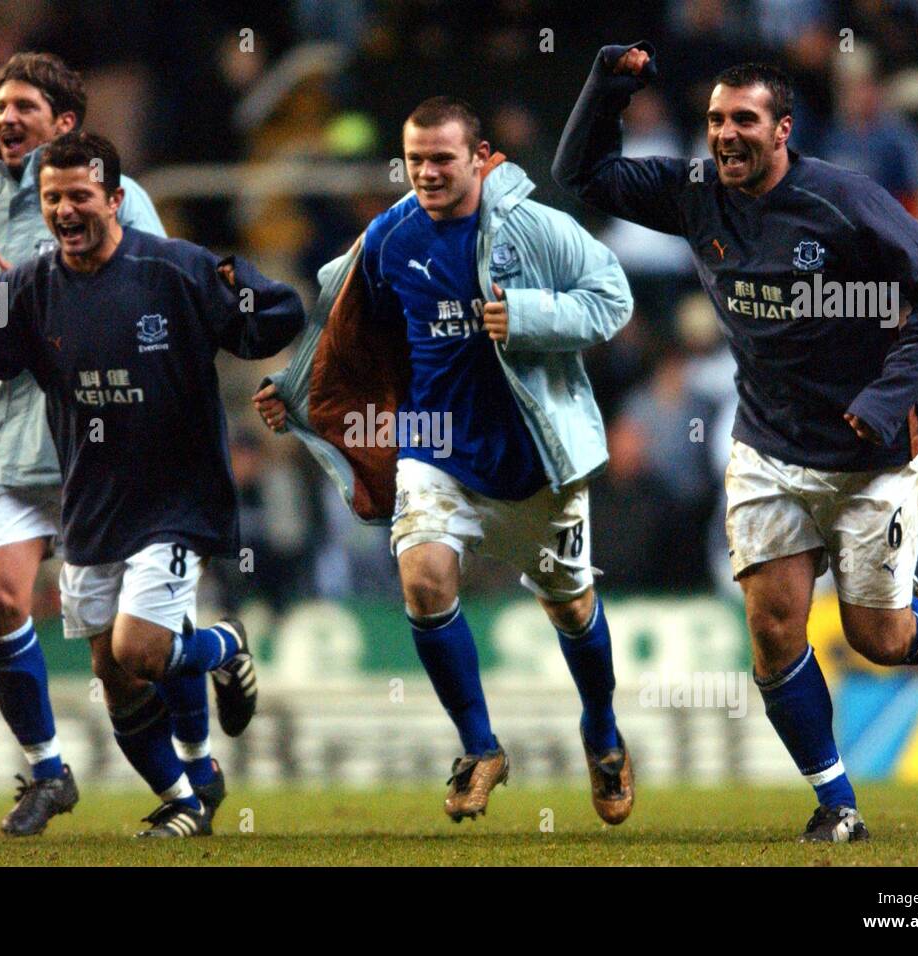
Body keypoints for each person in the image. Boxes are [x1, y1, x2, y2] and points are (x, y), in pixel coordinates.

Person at [553, 44, 918, 842]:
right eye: (715, 119)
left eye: (743, 119)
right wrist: (603, 84)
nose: (725, 134)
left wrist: (886, 398)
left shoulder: (846, 201)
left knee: (875, 636)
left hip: (867, 458)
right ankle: (837, 803)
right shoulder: (696, 195)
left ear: (783, 129)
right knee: (775, 627)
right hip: (767, 451)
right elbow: (585, 175)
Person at [0, 131, 305, 838]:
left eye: (80, 195)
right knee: (114, 675)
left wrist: (263, 309)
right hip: (93, 505)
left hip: (175, 500)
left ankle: (225, 646)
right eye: (52, 198)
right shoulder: (32, 288)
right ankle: (182, 801)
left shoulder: (174, 270)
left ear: (115, 199)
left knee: (142, 647)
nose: (65, 210)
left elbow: (272, 316)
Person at [253, 97, 636, 826]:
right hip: (433, 444)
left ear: (480, 158)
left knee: (570, 604)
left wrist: (529, 317)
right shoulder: (390, 236)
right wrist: (295, 391)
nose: (426, 173)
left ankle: (602, 728)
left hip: (533, 457)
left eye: (441, 159)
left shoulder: (535, 227)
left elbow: (612, 299)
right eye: (416, 159)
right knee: (423, 580)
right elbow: (343, 326)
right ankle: (480, 746)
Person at [0, 52, 233, 837]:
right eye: (0, 104)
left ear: (64, 122)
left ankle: (197, 758)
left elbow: (151, 296)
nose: (6, 118)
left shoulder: (123, 194)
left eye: (24, 107)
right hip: (9, 430)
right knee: (2, 601)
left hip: (98, 440)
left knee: (134, 640)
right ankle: (48, 772)